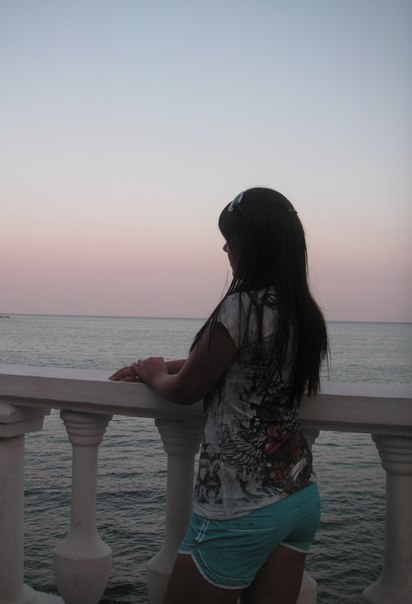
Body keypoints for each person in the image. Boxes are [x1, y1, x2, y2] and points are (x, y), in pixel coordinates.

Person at [109, 187, 328, 604]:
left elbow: (184, 391)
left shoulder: (240, 308)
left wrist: (155, 375)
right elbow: (239, 361)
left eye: (232, 238)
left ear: (255, 245)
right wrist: (166, 365)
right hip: (298, 495)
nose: (226, 248)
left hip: (239, 507)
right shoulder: (301, 313)